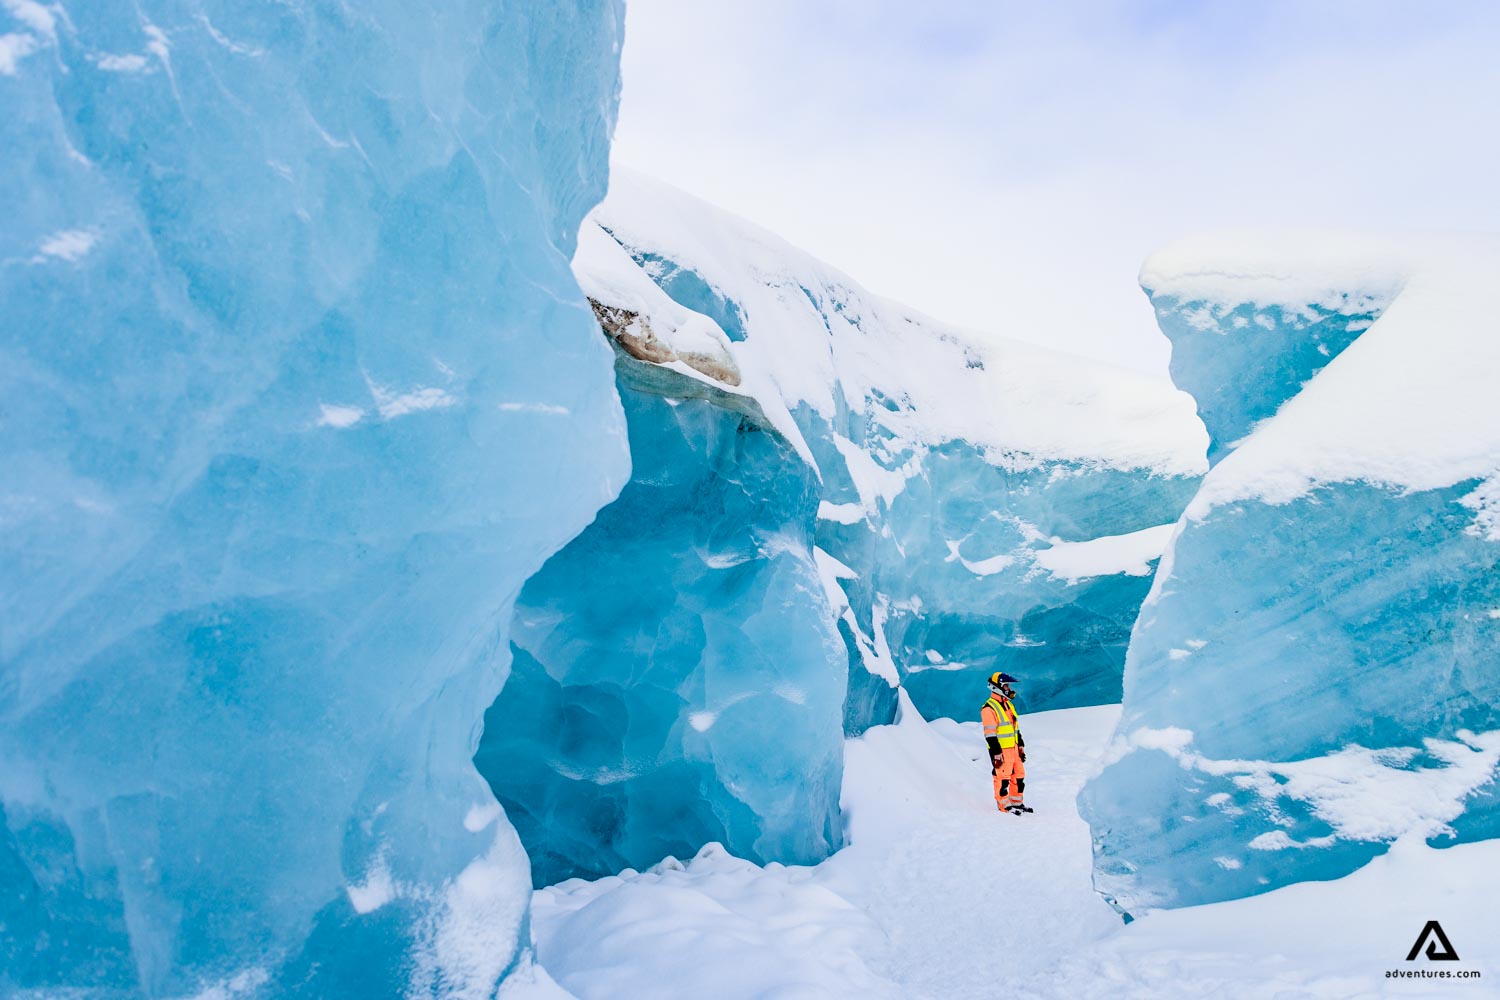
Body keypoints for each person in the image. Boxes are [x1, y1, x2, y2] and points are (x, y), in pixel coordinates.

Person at [982, 671, 1031, 815]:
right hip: (1001, 751)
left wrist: (1020, 745)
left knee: (1019, 776)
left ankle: (1017, 803)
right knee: (1003, 778)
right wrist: (997, 753)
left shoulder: (1008, 705)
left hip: (1014, 749)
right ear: (998, 687)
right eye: (1007, 686)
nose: (1009, 689)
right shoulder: (989, 708)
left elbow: (1015, 728)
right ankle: (1004, 806)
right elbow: (990, 734)